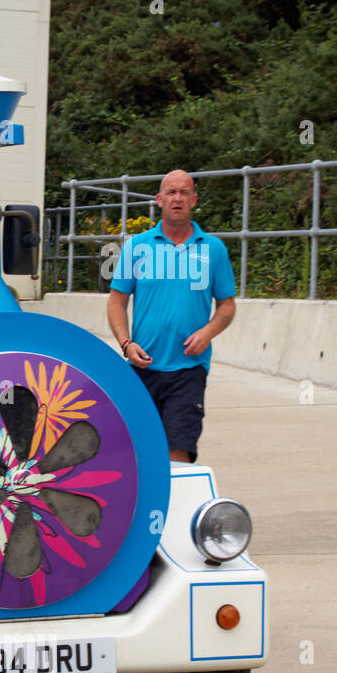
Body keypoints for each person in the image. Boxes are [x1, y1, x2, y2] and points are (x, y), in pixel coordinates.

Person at [108, 169, 236, 463]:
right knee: (136, 453)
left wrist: (208, 332)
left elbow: (227, 306)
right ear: (159, 200)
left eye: (183, 192)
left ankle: (173, 508)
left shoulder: (213, 250)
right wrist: (126, 343)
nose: (177, 198)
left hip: (189, 369)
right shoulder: (137, 247)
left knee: (177, 452)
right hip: (142, 367)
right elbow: (117, 301)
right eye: (170, 192)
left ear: (194, 199)